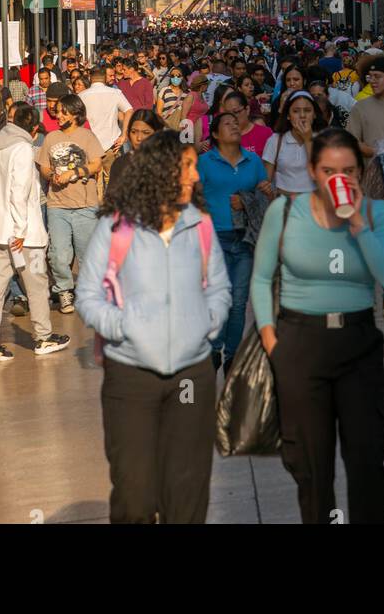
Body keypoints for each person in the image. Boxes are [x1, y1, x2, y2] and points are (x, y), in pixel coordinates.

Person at [75, 130, 231, 525]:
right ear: (161, 171)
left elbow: (219, 289)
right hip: (130, 376)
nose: (195, 177)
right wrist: (123, 326)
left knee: (187, 493)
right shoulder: (117, 228)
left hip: (192, 375)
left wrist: (206, 327)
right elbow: (88, 296)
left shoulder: (201, 226)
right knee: (134, 496)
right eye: (187, 167)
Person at [252, 128, 384, 525]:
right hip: (300, 343)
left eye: (349, 170)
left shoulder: (378, 214)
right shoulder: (284, 213)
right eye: (329, 170)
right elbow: (262, 277)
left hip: (358, 342)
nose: (340, 179)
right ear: (313, 173)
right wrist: (271, 339)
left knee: (368, 457)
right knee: (310, 465)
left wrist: (357, 224)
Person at [0, 102, 69, 362]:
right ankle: (43, 337)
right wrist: (20, 230)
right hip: (23, 235)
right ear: (32, 128)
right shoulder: (21, 148)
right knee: (38, 284)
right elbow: (18, 192)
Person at [198, 110, 273, 373]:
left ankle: (231, 355)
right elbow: (192, 196)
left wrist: (252, 197)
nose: (234, 126)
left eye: (235, 123)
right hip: (214, 238)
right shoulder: (205, 162)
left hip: (245, 238)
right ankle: (214, 348)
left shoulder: (253, 161)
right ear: (216, 134)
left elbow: (266, 196)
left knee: (239, 300)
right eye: (226, 124)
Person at [38, 92, 105, 313]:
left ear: (75, 114)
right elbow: (44, 166)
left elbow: (96, 165)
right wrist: (51, 176)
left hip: (85, 205)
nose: (58, 115)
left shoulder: (87, 137)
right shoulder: (50, 137)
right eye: (57, 111)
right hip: (57, 205)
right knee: (57, 253)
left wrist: (74, 172)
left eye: (63, 112)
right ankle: (64, 290)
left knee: (86, 254)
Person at [264, 91, 326, 195]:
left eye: (307, 111)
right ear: (288, 115)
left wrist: (308, 139)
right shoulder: (275, 140)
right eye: (296, 111)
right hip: (284, 203)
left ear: (314, 114)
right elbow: (266, 181)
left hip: (313, 203)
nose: (302, 116)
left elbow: (321, 175)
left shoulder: (324, 140)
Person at [107, 108, 166, 195]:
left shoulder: (165, 162)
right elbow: (111, 200)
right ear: (128, 133)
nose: (139, 138)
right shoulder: (120, 163)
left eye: (146, 132)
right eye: (134, 132)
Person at [80, 67, 132, 165]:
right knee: (113, 178)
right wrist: (124, 135)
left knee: (94, 178)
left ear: (90, 78)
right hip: (112, 144)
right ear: (104, 78)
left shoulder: (82, 95)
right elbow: (129, 110)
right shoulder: (115, 93)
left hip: (90, 146)